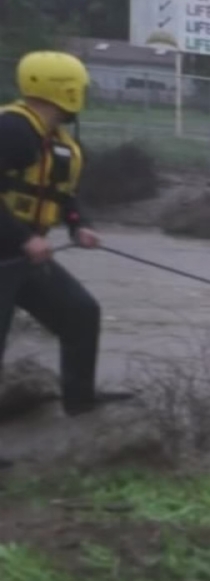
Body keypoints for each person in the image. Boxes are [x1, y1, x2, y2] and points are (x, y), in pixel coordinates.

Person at [0, 51, 134, 468]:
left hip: (24, 257)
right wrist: (23, 238)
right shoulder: (13, 130)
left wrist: (80, 226)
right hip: (8, 253)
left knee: (80, 313)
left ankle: (79, 402)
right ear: (63, 88)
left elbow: (63, 195)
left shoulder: (56, 140)